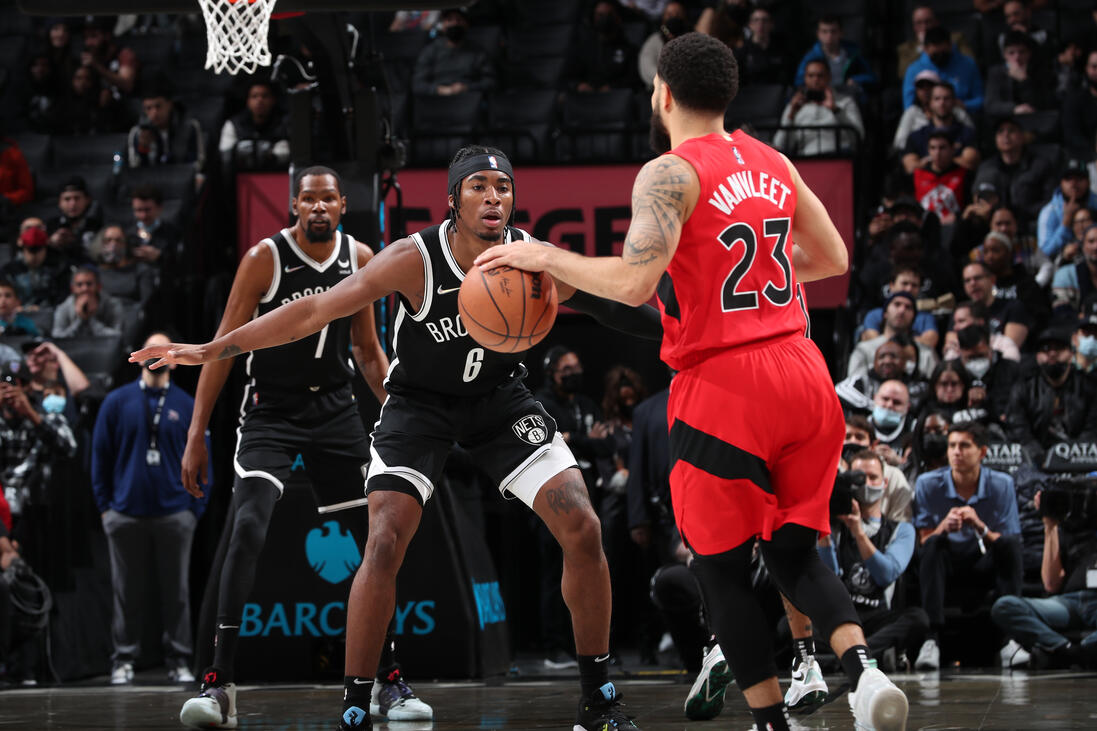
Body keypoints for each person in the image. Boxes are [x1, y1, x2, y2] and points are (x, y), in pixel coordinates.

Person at [131, 151, 664, 731]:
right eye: (479, 186)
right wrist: (214, 349)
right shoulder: (415, 258)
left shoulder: (531, 257)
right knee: (383, 540)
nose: (493, 197)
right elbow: (315, 310)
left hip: (500, 401)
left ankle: (597, 697)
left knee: (583, 525)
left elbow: (611, 304)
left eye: (503, 187)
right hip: (418, 407)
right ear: (453, 200)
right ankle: (357, 704)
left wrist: (679, 333)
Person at [472, 32, 908, 731]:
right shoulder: (773, 161)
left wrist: (546, 255)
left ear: (663, 92)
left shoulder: (668, 173)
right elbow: (832, 257)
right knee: (795, 552)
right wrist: (739, 271)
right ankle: (864, 672)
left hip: (727, 385)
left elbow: (633, 281)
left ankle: (770, 722)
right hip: (803, 372)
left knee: (720, 570)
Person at [129, 167, 433, 728]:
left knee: (379, 539)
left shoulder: (360, 257)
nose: (318, 207)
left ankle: (387, 680)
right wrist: (196, 434)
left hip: (335, 411)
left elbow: (367, 351)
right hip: (270, 412)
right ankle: (219, 685)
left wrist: (408, 410)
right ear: (294, 205)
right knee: (247, 527)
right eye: (308, 199)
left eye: (328, 199)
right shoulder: (263, 259)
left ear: (342, 205)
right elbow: (222, 346)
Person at [91, 332, 211, 686]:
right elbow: (99, 458)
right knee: (125, 591)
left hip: (175, 514)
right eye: (150, 348)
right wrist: (106, 509)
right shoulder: (116, 402)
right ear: (140, 355)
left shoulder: (187, 404)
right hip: (124, 514)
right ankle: (124, 659)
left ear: (174, 358)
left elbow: (206, 463)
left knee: (176, 592)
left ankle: (179, 659)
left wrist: (193, 511)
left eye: (164, 349)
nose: (156, 355)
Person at [912, 421, 1023, 671]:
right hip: (947, 563)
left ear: (982, 452)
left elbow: (1008, 538)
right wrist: (943, 527)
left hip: (982, 559)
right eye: (952, 445)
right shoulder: (928, 483)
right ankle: (931, 639)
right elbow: (924, 541)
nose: (956, 452)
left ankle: (1010, 639)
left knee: (1009, 546)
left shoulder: (1002, 483)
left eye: (964, 446)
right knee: (934, 544)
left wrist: (980, 527)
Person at [816, 450, 929, 670]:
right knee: (790, 625)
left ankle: (841, 660)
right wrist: (824, 533)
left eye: (873, 477)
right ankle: (868, 656)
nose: (866, 484)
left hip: (879, 617)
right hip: (842, 615)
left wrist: (858, 532)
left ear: (884, 483)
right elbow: (828, 580)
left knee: (918, 619)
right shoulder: (833, 526)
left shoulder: (901, 529)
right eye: (860, 478)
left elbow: (886, 574)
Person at [991, 487, 1097, 669]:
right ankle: (1067, 649)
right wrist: (1050, 525)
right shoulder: (1071, 530)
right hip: (1071, 602)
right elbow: (1051, 584)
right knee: (1005, 606)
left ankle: (1070, 653)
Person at [1006, 324, 1097, 462]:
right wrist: (1040, 457)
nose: (1052, 354)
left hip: (1082, 459)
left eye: (1059, 348)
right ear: (1037, 356)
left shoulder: (1089, 387)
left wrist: (1075, 454)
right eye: (1046, 349)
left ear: (1071, 353)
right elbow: (1019, 429)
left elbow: (1092, 430)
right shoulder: (1023, 388)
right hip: (1035, 461)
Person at [773, 59, 863, 157]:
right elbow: (779, 145)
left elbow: (859, 137)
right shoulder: (794, 106)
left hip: (839, 159)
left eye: (820, 75)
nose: (815, 80)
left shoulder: (846, 102)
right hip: (805, 161)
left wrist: (836, 110)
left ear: (829, 77)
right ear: (805, 78)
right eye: (811, 76)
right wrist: (791, 115)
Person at [411, 7, 496, 97]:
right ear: (443, 25)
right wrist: (439, 90)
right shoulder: (431, 51)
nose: (454, 23)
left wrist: (467, 87)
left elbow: (491, 82)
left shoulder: (477, 51)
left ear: (466, 24)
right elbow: (418, 84)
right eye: (449, 20)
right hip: (437, 98)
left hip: (469, 97)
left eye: (459, 20)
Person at [902, 82, 979, 174]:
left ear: (954, 102)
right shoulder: (916, 136)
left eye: (946, 98)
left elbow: (970, 163)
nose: (942, 103)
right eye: (937, 99)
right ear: (930, 103)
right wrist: (953, 160)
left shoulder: (967, 133)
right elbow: (910, 167)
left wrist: (928, 162)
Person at [902, 25, 983, 112]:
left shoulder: (967, 65)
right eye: (935, 54)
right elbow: (909, 106)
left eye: (943, 53)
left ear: (950, 46)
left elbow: (980, 99)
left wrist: (964, 105)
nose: (940, 57)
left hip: (962, 114)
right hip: (924, 117)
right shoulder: (914, 70)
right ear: (925, 49)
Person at [218, 80, 290, 176]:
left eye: (265, 96)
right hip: (242, 179)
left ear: (273, 100)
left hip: (277, 177)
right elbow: (225, 157)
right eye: (254, 96)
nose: (260, 100)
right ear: (248, 101)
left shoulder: (284, 123)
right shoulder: (234, 124)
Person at [792, 15, 876, 97]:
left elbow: (871, 77)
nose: (829, 36)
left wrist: (856, 79)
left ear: (841, 33)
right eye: (824, 31)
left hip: (847, 95)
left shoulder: (853, 53)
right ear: (818, 34)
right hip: (821, 96)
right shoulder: (811, 57)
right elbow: (799, 82)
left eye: (833, 31)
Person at [1038, 159, 1097, 260]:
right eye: (1068, 179)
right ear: (1061, 183)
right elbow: (1045, 253)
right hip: (1063, 264)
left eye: (1079, 178)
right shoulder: (1049, 211)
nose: (1073, 183)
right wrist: (1066, 222)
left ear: (1088, 182)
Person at [51, 266, 124, 338]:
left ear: (99, 287)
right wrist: (81, 319)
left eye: (89, 284)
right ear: (72, 289)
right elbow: (57, 337)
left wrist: (90, 319)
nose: (85, 288)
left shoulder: (113, 305)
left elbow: (117, 336)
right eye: (79, 285)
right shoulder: (63, 307)